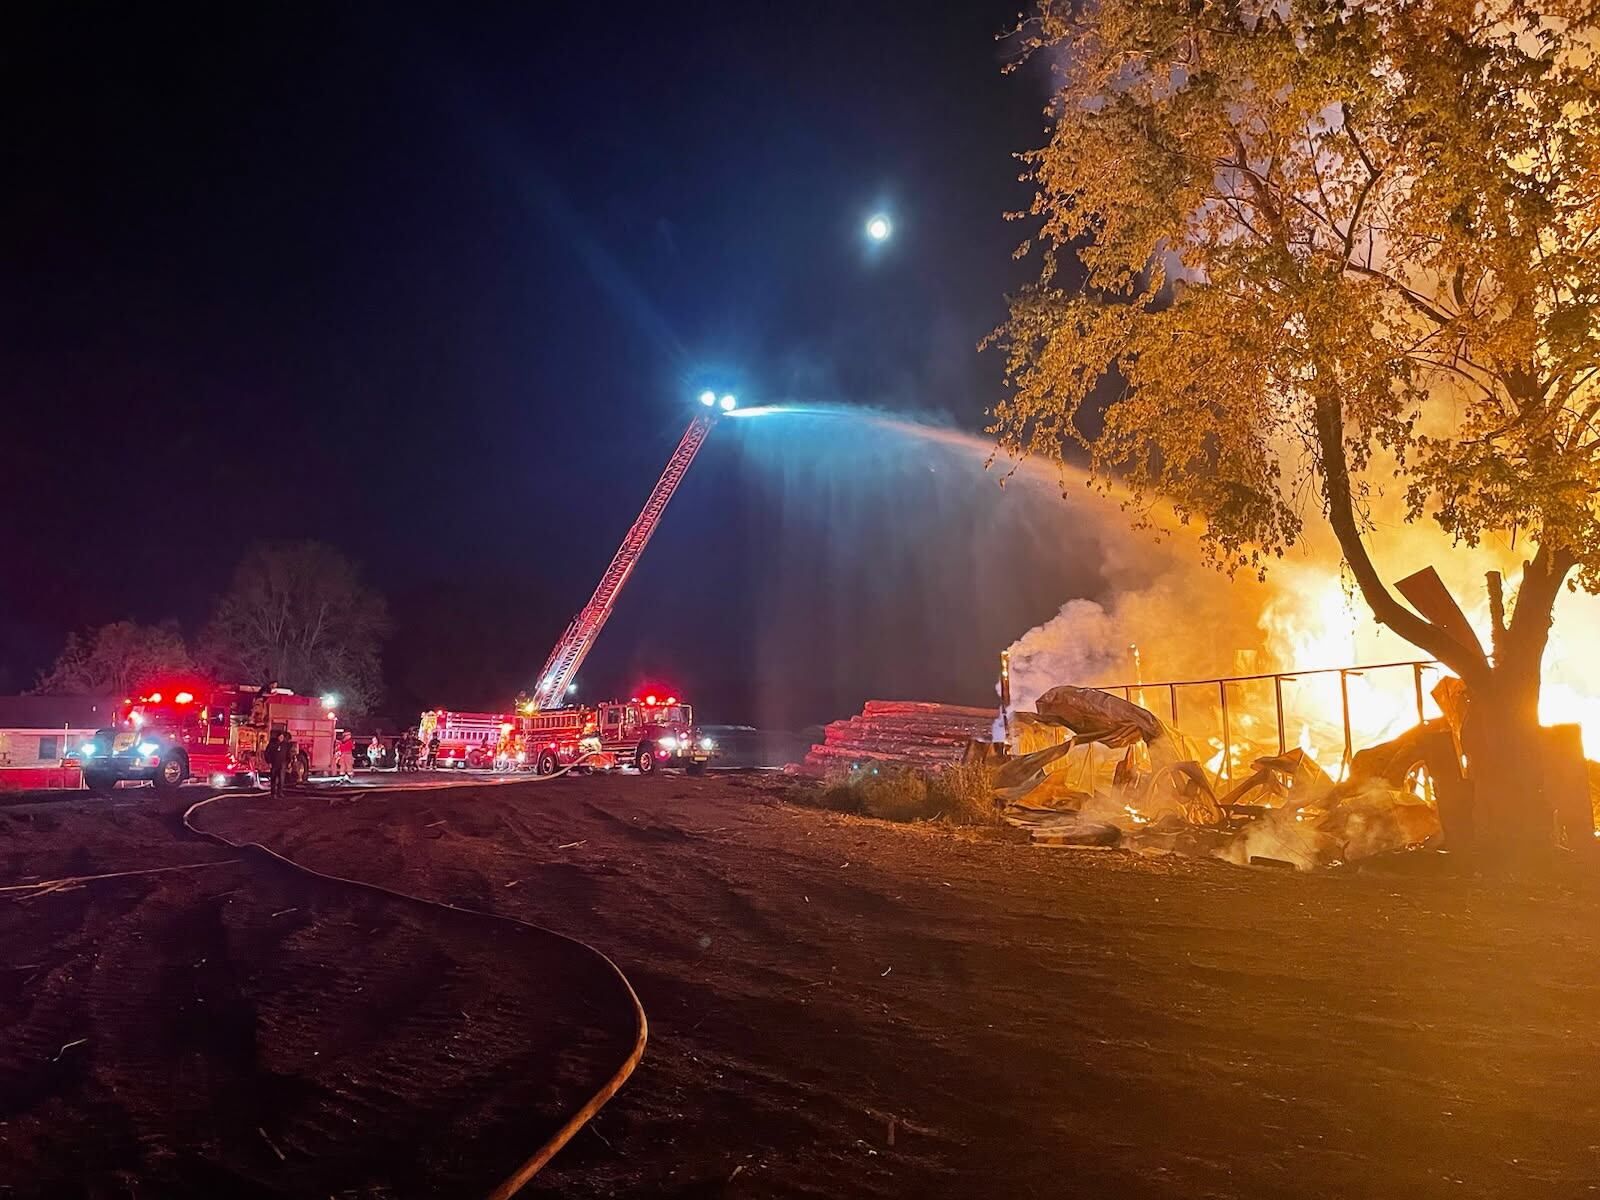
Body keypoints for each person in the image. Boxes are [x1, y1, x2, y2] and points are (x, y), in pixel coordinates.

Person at [265, 730, 289, 798]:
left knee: (281, 779)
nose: (281, 738)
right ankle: (273, 793)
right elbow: (267, 753)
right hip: (274, 764)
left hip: (282, 764)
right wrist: (269, 762)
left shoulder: (285, 745)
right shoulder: (272, 744)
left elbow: (288, 754)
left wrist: (288, 762)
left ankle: (280, 792)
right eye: (280, 737)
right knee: (273, 779)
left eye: (282, 737)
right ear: (277, 737)